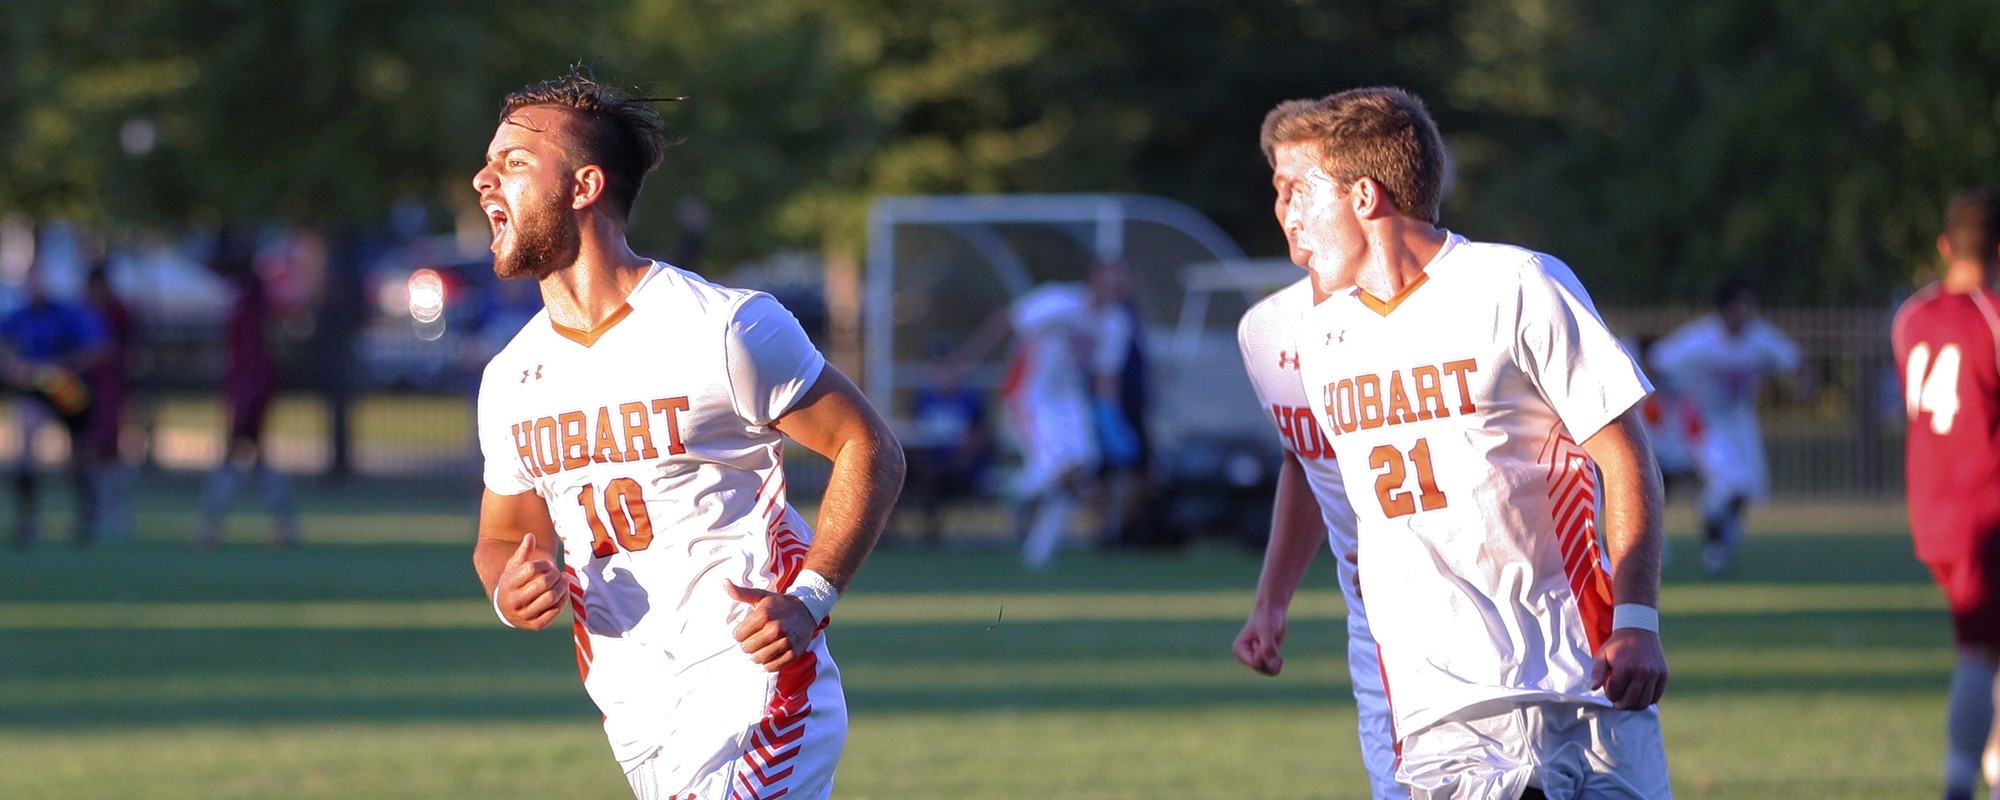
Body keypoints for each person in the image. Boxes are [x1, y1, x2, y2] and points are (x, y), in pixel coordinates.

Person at [468, 69, 904, 800]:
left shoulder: (726, 327)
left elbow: (870, 447)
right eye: (487, 164)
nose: (485, 181)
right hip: (636, 709)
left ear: (584, 187)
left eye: (512, 163)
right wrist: (508, 591)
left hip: (754, 690)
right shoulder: (510, 377)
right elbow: (505, 536)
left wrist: (811, 597)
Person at [1284, 87, 1671, 798]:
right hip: (1444, 710)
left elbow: (1625, 453)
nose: (1292, 218)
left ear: (1365, 197)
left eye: (1306, 194)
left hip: (1581, 682)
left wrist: (1637, 619)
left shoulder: (1515, 284)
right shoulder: (1317, 339)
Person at [1230, 96, 1401, 799]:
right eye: (1277, 187)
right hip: (1373, 627)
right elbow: (1309, 460)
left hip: (1493, 614)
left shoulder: (1455, 308)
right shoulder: (1268, 332)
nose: (1285, 207)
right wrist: (1272, 602)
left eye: (1300, 186)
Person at [1892, 187, 2000, 800]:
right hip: (1984, 508)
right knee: (1979, 649)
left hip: (1932, 509)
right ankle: (1961, 781)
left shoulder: (1911, 316)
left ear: (1943, 246)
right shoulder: (1991, 315)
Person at [955, 259, 1131, 570]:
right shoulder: (1059, 302)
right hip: (1032, 394)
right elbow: (1008, 319)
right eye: (1111, 275)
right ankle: (1002, 489)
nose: (1117, 283)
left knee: (1081, 472)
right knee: (1057, 470)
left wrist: (1112, 419)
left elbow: (1106, 376)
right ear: (1094, 277)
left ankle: (1038, 554)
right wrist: (968, 360)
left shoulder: (1116, 322)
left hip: (1069, 400)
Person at [1649, 280, 1803, 574]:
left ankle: (1720, 543)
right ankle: (1712, 524)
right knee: (1731, 483)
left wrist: (1801, 388)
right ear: (1725, 309)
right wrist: (1668, 399)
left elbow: (1795, 360)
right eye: (1740, 305)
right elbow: (1656, 360)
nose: (1746, 312)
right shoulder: (1702, 339)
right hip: (1705, 423)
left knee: (1750, 488)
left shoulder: (1758, 337)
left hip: (1741, 421)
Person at [196, 228, 298, 549]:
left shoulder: (251, 296)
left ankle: (212, 524)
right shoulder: (243, 294)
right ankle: (283, 524)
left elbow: (257, 349)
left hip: (251, 384)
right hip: (245, 382)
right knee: (254, 456)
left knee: (239, 451)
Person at [0, 265, 107, 548]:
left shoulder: (68, 314)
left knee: (77, 458)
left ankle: (88, 513)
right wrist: (13, 365)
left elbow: (97, 349)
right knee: (24, 444)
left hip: (70, 392)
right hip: (36, 392)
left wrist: (60, 367)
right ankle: (27, 520)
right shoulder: (18, 316)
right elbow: (5, 348)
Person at [896, 339, 994, 548]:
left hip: (959, 470)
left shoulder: (971, 399)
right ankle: (887, 535)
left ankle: (931, 536)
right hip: (929, 465)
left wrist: (956, 461)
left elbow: (978, 439)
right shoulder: (922, 398)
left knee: (934, 480)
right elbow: (915, 434)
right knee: (895, 474)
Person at [83, 261, 137, 542]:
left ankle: (116, 513)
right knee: (89, 449)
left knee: (111, 450)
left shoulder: (118, 311)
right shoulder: (85, 311)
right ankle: (95, 510)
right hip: (87, 390)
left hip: (111, 390)